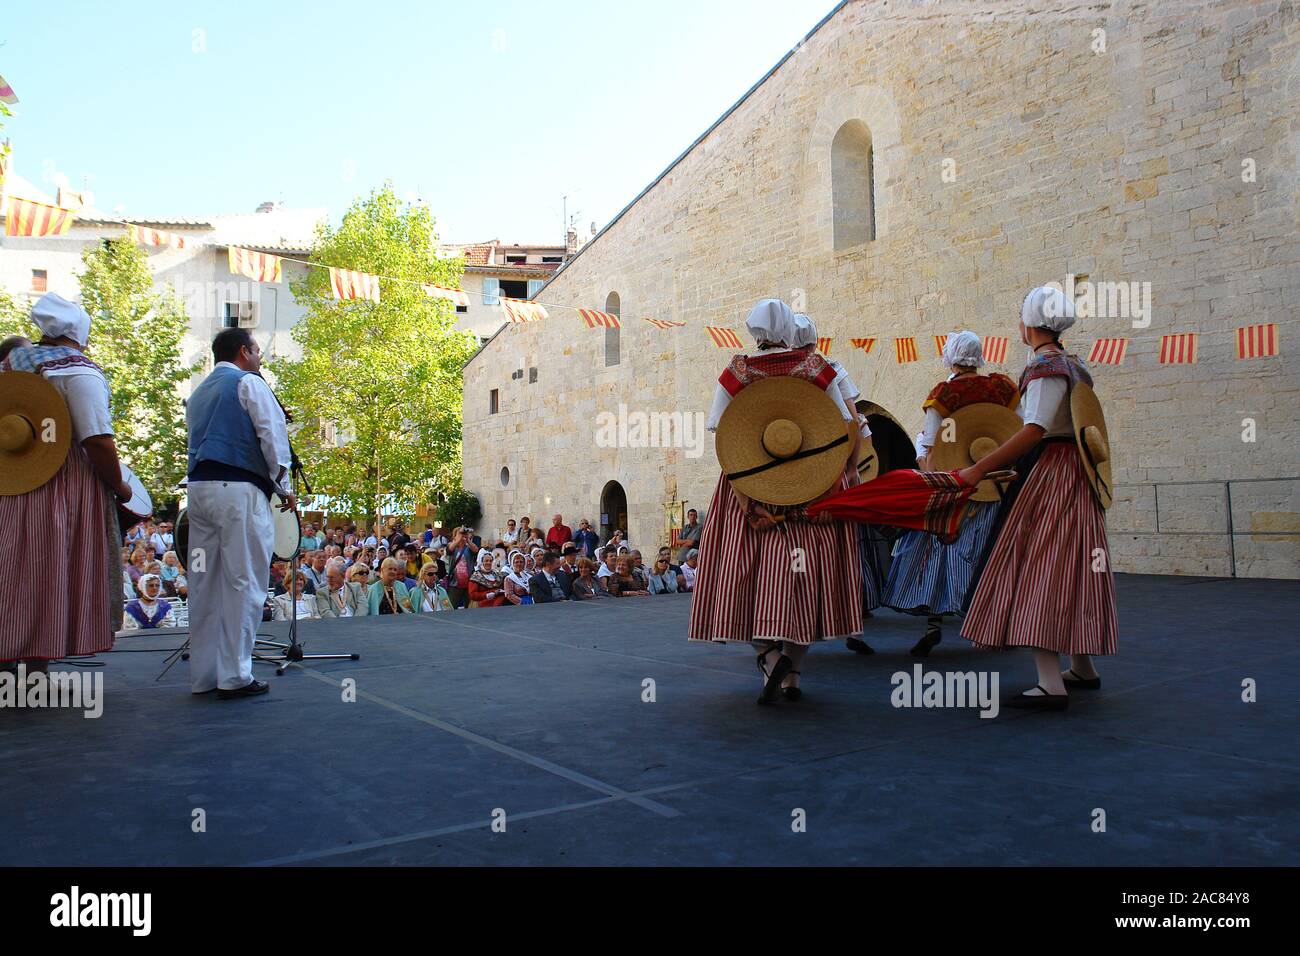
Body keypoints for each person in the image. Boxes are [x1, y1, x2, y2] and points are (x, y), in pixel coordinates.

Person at [688, 299, 863, 704]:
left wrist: (745, 502)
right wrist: (839, 481)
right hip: (811, 481)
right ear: (789, 328)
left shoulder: (738, 372)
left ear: (753, 331)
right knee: (805, 579)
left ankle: (767, 656)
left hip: (751, 481)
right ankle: (794, 674)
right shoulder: (817, 369)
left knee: (742, 575)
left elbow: (723, 437)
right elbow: (845, 426)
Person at [957, 286, 1119, 710]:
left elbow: (1034, 430)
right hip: (1078, 472)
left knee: (1038, 564)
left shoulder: (1045, 367)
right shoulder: (1076, 366)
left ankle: (1050, 682)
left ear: (1026, 325)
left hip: (1052, 474)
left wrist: (978, 468)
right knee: (1075, 563)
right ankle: (1083, 666)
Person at [1, 294, 132, 671]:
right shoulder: (78, 371)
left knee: (13, 573)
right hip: (63, 486)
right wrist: (120, 485)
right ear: (79, 333)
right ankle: (35, 669)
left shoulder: (10, 366)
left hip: (11, 484)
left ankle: (13, 663)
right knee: (51, 573)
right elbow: (97, 441)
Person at [881, 330, 1020, 656]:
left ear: (950, 356)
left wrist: (927, 474)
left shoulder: (943, 395)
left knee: (939, 551)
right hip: (993, 483)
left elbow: (930, 444)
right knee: (990, 551)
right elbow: (1018, 429)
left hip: (955, 483)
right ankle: (993, 625)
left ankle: (934, 623)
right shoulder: (1002, 389)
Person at [184, 327, 292, 700]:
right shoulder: (250, 383)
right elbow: (272, 438)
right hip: (238, 492)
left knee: (204, 583)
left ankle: (204, 675)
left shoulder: (198, 393)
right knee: (243, 581)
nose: (260, 357)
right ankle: (234, 675)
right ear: (244, 351)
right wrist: (284, 488)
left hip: (198, 493)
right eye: (258, 350)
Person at [443, 527, 481, 609]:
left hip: (469, 583)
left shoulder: (468, 548)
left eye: (463, 534)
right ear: (455, 536)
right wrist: (458, 538)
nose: (462, 536)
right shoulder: (451, 545)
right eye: (460, 534)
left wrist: (467, 539)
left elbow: (476, 550)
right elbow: (449, 549)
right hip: (454, 583)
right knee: (452, 607)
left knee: (469, 607)